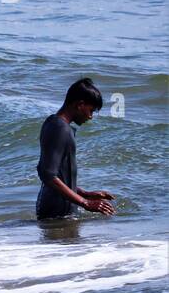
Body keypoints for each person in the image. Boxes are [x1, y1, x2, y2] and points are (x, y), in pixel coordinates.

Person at [35, 77, 114, 220]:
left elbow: (57, 176)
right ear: (80, 105)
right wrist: (84, 202)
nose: (90, 117)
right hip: (55, 214)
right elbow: (47, 175)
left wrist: (84, 193)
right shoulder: (60, 128)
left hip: (58, 212)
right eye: (91, 110)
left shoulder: (56, 125)